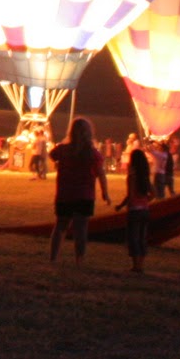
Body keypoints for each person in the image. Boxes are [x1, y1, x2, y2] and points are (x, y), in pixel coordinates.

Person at [49, 117, 110, 265]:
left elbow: (52, 155)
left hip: (65, 193)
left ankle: (54, 258)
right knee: (81, 230)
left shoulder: (63, 150)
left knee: (60, 226)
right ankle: (79, 260)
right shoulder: (92, 154)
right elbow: (101, 173)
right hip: (85, 194)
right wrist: (105, 192)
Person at [117, 147, 154, 273]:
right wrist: (145, 201)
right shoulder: (144, 177)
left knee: (133, 238)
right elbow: (153, 193)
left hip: (135, 211)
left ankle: (136, 266)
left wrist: (123, 206)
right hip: (145, 210)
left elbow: (130, 195)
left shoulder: (132, 177)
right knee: (142, 237)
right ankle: (141, 264)